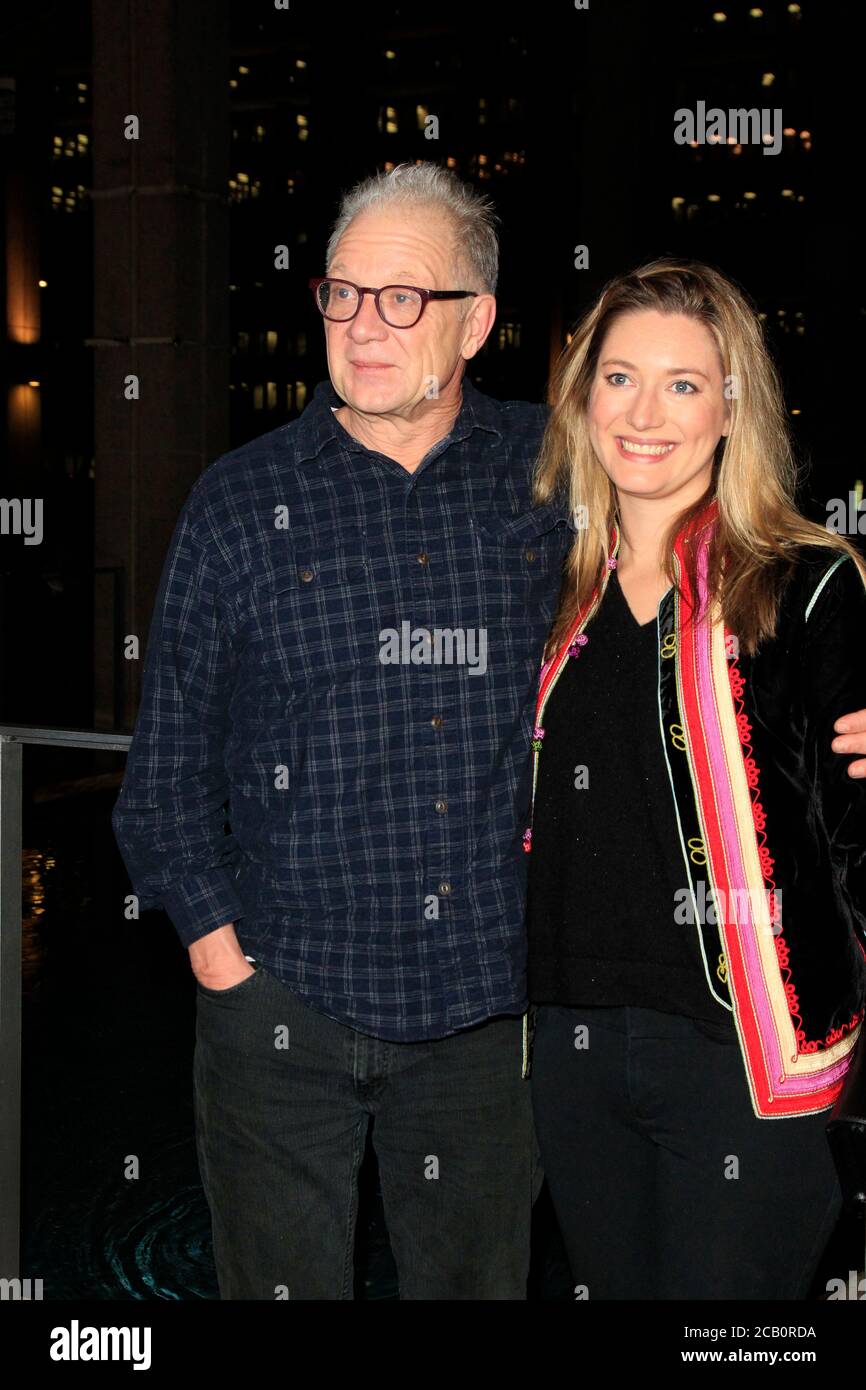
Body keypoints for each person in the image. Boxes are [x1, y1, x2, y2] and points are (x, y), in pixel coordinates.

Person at [111, 165, 866, 1302]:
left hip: (491, 1032)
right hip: (284, 1015)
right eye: (341, 293)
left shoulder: (552, 479)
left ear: (477, 323)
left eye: (403, 296)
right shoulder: (237, 502)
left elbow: (764, 583)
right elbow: (164, 775)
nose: (364, 323)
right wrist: (222, 957)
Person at [525, 258, 866, 1300]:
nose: (644, 413)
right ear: (581, 396)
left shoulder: (804, 582)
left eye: (682, 384)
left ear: (730, 406)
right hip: (571, 1047)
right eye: (619, 377)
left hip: (744, 1060)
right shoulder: (543, 585)